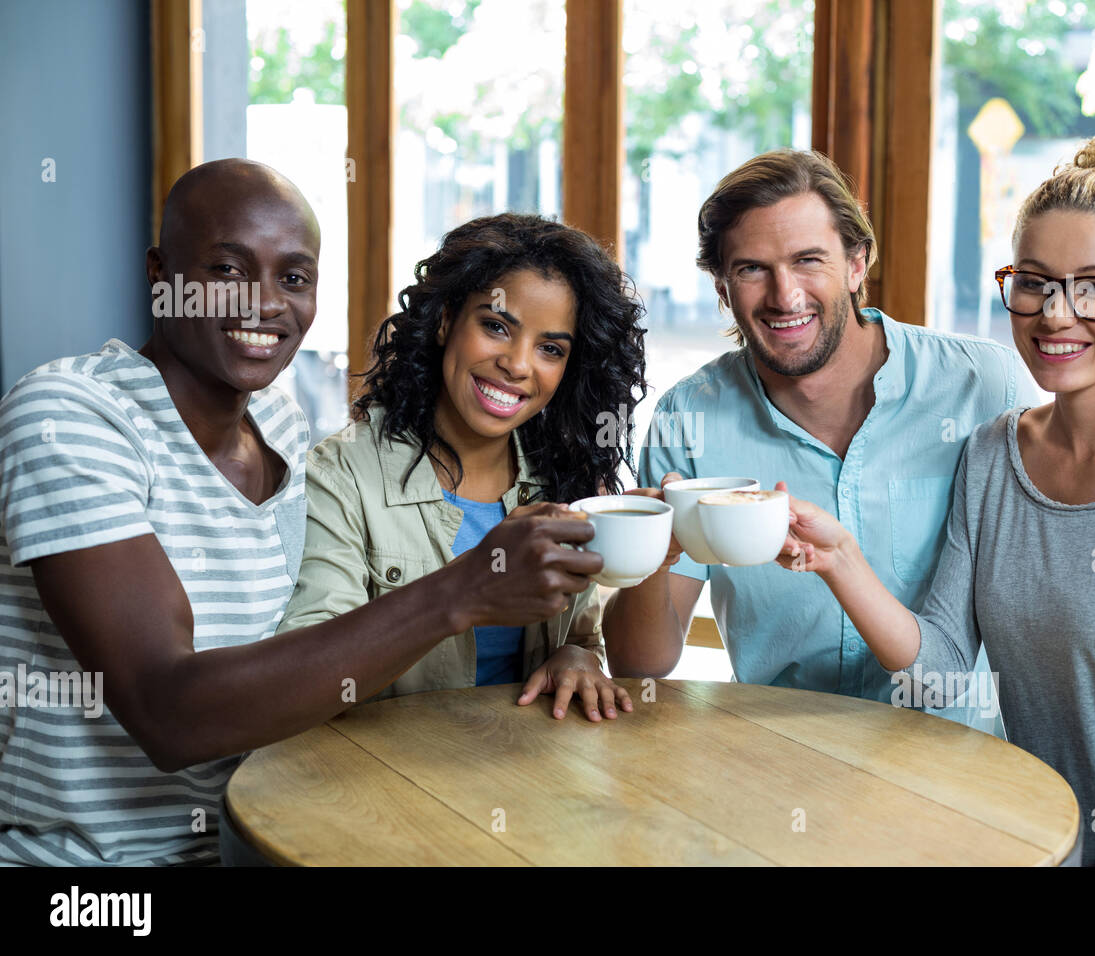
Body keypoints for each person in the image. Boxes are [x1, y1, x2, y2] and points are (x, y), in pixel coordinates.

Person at [0, 162, 601, 866]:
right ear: (160, 275)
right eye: (227, 269)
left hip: (274, 840)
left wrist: (576, 638)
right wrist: (462, 592)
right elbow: (168, 715)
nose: (264, 304)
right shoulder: (72, 415)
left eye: (293, 278)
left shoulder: (282, 427)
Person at [775, 135, 1095, 866]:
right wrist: (840, 561)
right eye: (1036, 282)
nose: (1055, 313)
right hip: (1047, 848)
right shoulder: (992, 455)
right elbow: (941, 668)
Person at [603, 149, 1036, 734]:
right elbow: (642, 666)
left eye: (809, 260)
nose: (785, 296)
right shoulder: (689, 417)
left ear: (857, 264)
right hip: (781, 764)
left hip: (954, 762)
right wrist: (656, 552)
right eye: (753, 268)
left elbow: (1040, 606)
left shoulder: (984, 387)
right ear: (723, 288)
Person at [277, 213, 645, 721]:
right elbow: (305, 682)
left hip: (522, 772)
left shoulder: (556, 478)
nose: (518, 364)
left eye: (550, 349)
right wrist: (464, 588)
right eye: (496, 326)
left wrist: (577, 656)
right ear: (447, 319)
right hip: (385, 781)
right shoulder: (340, 476)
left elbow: (582, 636)